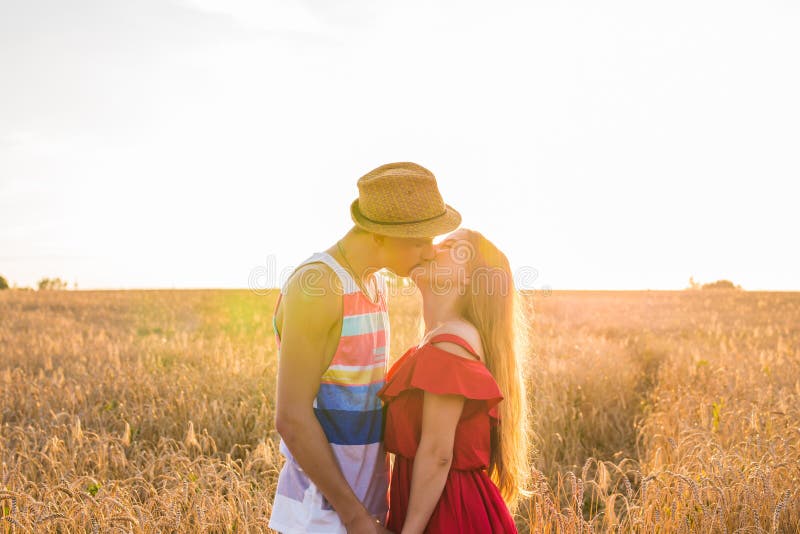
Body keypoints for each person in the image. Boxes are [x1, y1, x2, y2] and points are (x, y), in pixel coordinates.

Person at [268, 162, 462, 533]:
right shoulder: (318, 285)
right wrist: (354, 517)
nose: (430, 251)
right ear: (378, 234)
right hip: (321, 515)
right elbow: (290, 417)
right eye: (420, 240)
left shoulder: (375, 284)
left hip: (364, 507)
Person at [377, 228, 530, 533]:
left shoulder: (452, 342)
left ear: (470, 279)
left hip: (449, 513)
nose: (432, 248)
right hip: (438, 504)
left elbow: (437, 454)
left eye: (451, 246)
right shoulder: (447, 337)